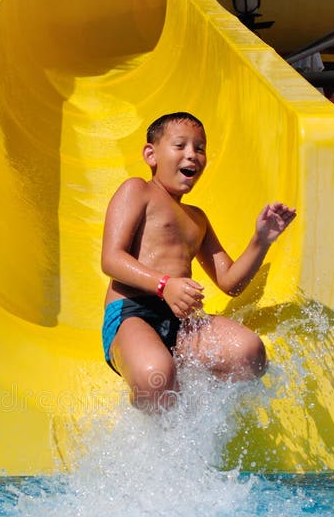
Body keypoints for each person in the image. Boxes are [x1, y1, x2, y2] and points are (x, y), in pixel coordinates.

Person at [101, 111, 296, 411]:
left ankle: (195, 408)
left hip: (182, 320)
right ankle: (144, 409)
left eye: (200, 148)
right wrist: (164, 285)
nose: (192, 154)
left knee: (249, 354)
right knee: (155, 376)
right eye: (180, 145)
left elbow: (230, 282)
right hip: (132, 313)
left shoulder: (197, 219)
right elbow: (111, 259)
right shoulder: (138, 190)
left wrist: (261, 241)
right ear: (151, 154)